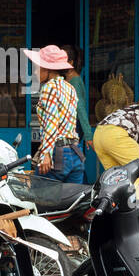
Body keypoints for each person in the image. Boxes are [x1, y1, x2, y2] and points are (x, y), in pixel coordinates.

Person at [25, 45, 84, 184]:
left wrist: (46, 154)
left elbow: (52, 123)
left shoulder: (49, 88)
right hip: (76, 152)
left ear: (48, 69)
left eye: (37, 66)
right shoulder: (70, 88)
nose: (34, 71)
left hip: (58, 154)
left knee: (42, 199)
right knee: (71, 202)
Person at [59, 44, 94, 150]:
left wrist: (88, 135)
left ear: (71, 62)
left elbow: (81, 108)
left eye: (62, 61)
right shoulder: (68, 80)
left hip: (74, 126)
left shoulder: (75, 82)